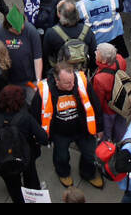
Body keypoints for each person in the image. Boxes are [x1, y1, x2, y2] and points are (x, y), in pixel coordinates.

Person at [37, 61, 103, 189]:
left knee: (90, 154)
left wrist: (99, 127)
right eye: (67, 83)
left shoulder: (81, 82)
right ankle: (63, 172)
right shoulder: (44, 90)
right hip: (60, 133)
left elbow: (96, 105)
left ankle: (88, 173)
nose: (72, 85)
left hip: (83, 130)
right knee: (61, 157)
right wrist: (42, 136)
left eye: (73, 81)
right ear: (57, 80)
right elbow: (36, 114)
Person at [0, 83, 48, 203]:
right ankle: (34, 197)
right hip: (26, 156)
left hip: (4, 160)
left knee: (13, 186)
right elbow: (43, 138)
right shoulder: (26, 117)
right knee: (31, 177)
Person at [0, 5, 43, 87]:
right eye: (18, 29)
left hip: (28, 80)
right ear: (8, 27)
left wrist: (38, 80)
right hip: (9, 81)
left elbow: (37, 57)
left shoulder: (31, 31)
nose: (21, 30)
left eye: (22, 26)